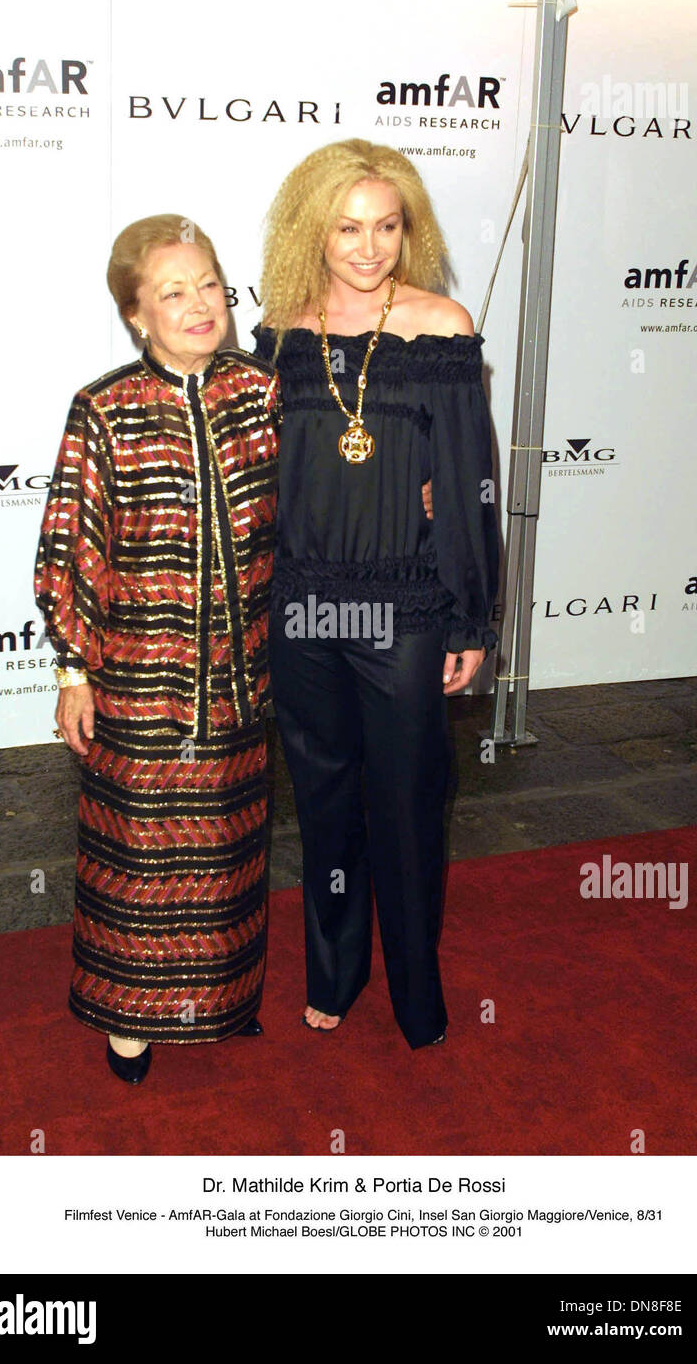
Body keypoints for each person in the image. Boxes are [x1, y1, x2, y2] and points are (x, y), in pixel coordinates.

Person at [253, 140, 498, 1049]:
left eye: (386, 226)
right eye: (347, 228)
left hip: (401, 604)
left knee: (405, 800)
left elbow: (469, 479)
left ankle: (417, 991)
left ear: (409, 229)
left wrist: (470, 615)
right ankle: (334, 972)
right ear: (311, 233)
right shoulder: (282, 332)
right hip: (304, 601)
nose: (367, 247)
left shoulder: (439, 324)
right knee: (322, 802)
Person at [35, 215, 280, 1084]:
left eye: (209, 283)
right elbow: (73, 541)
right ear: (137, 314)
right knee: (139, 860)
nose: (199, 304)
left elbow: (310, 516)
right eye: (173, 292)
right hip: (138, 687)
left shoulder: (260, 391)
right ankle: (128, 1021)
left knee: (226, 853)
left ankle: (220, 1000)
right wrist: (73, 667)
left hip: (244, 680)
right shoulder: (103, 407)